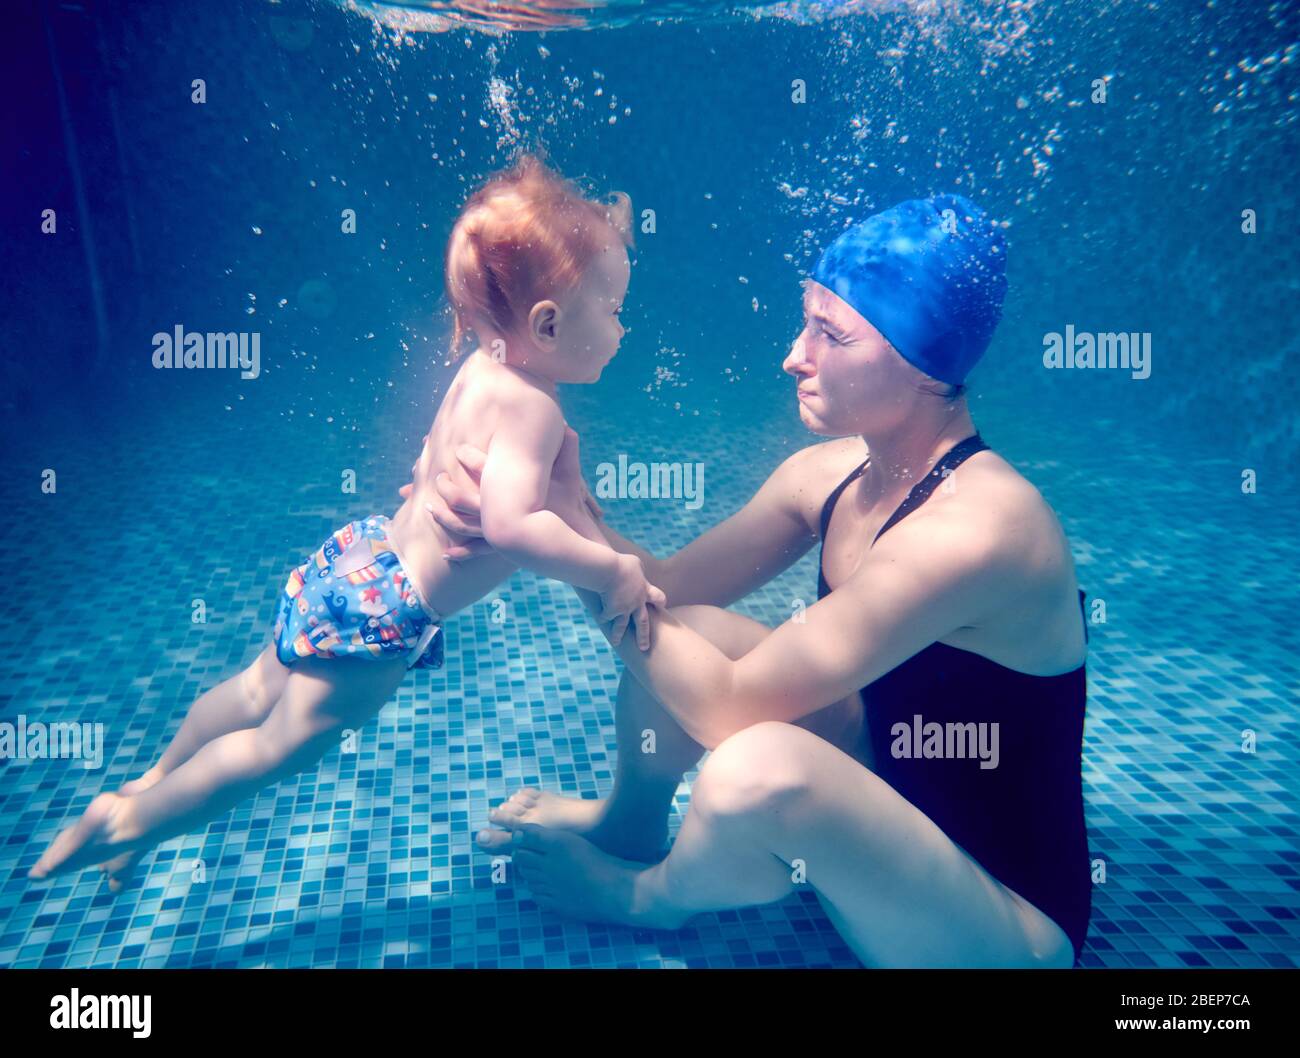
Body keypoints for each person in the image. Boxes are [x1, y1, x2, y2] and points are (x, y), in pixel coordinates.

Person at [426, 194, 1093, 968]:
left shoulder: (978, 528)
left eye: (829, 333)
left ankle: (644, 898)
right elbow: (668, 586)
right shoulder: (832, 474)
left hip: (999, 925)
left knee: (756, 766)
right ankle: (628, 825)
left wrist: (570, 554)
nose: (794, 355)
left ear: (920, 364)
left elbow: (728, 708)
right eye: (805, 321)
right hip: (883, 804)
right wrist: (542, 508)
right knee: (690, 628)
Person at [28, 154, 664, 888]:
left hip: (359, 560)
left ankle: (150, 786)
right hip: (387, 616)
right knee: (275, 748)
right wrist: (615, 568)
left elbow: (456, 470)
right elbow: (516, 527)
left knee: (251, 693)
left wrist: (569, 500)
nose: (622, 328)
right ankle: (127, 821)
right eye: (615, 309)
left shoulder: (484, 373)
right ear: (548, 324)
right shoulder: (537, 409)